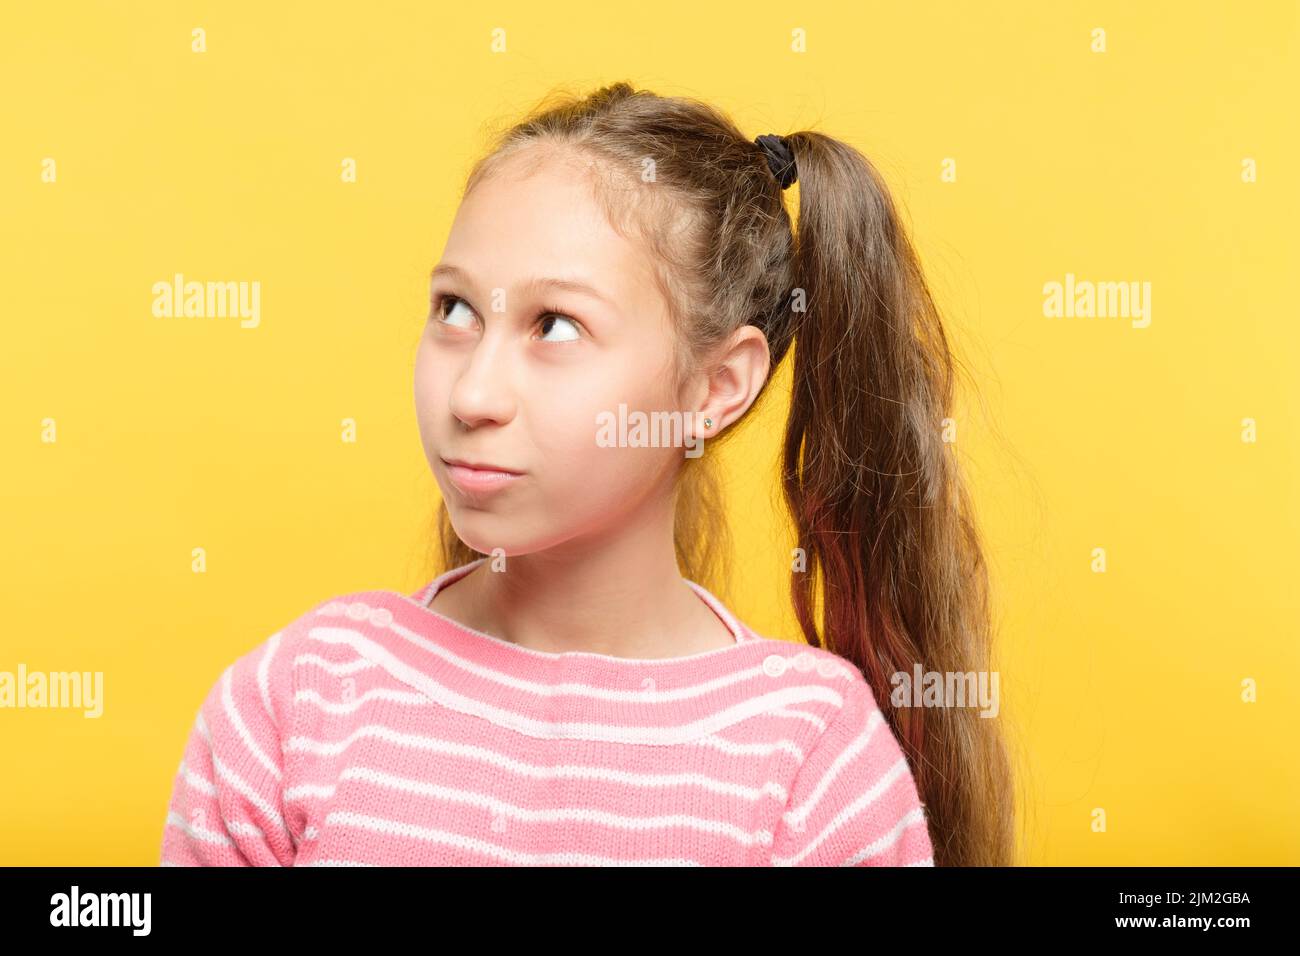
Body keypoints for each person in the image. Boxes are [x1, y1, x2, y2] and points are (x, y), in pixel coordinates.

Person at [160, 81, 1013, 867]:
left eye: (556, 325)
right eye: (454, 310)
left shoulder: (809, 763)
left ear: (716, 387)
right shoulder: (296, 700)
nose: (475, 392)